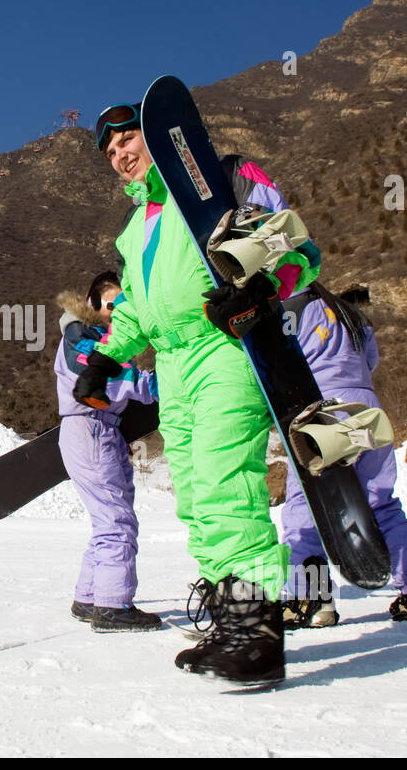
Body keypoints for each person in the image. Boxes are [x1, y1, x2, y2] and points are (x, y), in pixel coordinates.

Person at [73, 102, 318, 684]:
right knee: (194, 496)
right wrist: (105, 359)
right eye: (110, 152)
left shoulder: (224, 179)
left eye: (128, 139)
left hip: (225, 348)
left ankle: (257, 634)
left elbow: (297, 250)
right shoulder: (135, 230)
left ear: (159, 135)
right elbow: (133, 307)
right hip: (174, 364)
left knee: (223, 480)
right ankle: (230, 619)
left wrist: (261, 292)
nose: (120, 156)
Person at [278, 283, 407, 625]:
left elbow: (275, 366)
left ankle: (309, 599)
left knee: (307, 505)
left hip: (317, 412)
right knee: (380, 503)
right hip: (366, 410)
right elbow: (370, 360)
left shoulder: (286, 309)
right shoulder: (348, 311)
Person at [54, 271, 159, 632]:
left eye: (123, 305)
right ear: (94, 305)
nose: (117, 312)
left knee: (108, 518)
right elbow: (96, 375)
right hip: (90, 426)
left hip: (100, 429)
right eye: (112, 304)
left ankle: (89, 597)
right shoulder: (79, 334)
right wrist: (156, 384)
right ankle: (113, 606)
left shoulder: (105, 338)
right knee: (116, 519)